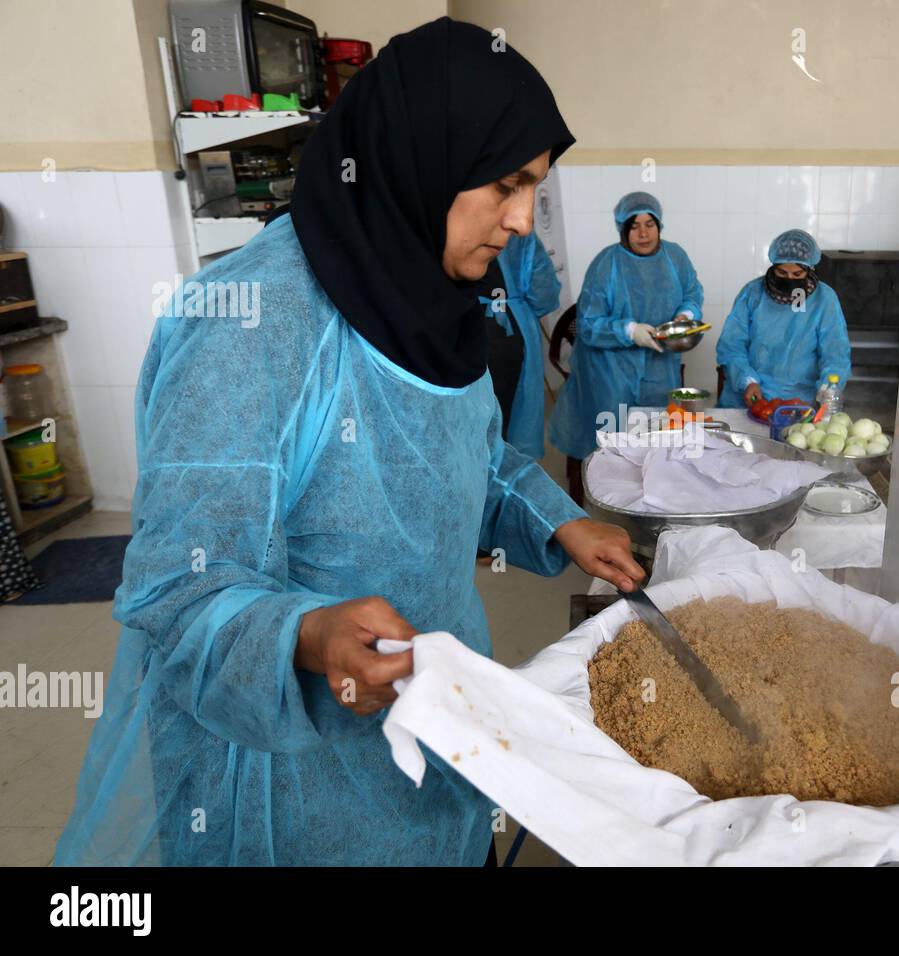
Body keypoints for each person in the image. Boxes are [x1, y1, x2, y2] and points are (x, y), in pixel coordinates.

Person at [54, 18, 643, 867]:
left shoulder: (434, 299)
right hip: (292, 786)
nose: (521, 221)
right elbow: (176, 593)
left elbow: (467, 457)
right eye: (506, 184)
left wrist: (556, 521)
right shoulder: (253, 324)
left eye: (535, 189)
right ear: (422, 153)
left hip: (434, 734)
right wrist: (306, 633)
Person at [548, 192, 704, 497]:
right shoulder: (607, 265)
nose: (643, 233)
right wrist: (630, 331)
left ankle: (649, 498)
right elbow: (589, 324)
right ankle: (602, 501)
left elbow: (692, 293)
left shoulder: (676, 258)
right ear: (623, 229)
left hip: (660, 367)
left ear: (660, 226)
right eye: (635, 226)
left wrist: (686, 315)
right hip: (608, 371)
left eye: (650, 224)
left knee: (654, 437)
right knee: (610, 441)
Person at [715, 229, 851, 408]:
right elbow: (731, 346)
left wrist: (828, 390)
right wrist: (747, 380)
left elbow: (835, 355)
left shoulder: (824, 300)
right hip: (750, 399)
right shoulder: (752, 294)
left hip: (799, 403)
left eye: (797, 275)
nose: (789, 280)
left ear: (809, 270)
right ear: (772, 267)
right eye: (782, 273)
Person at [479, 230, 561, 459]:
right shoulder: (518, 232)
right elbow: (543, 294)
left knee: (477, 418)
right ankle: (509, 477)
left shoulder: (453, 221)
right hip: (511, 331)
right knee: (515, 415)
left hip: (466, 326)